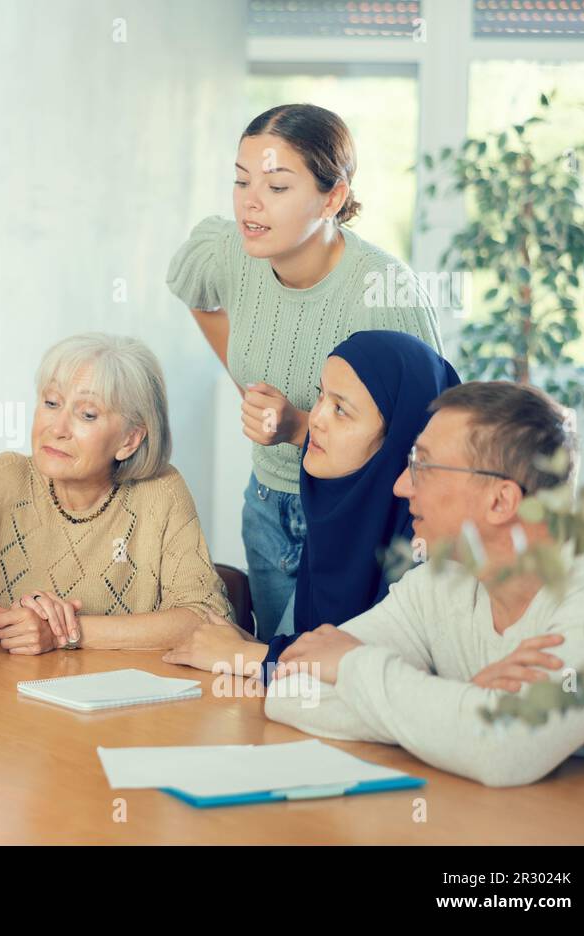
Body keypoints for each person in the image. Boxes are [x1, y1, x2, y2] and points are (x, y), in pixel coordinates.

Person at [167, 103, 443, 641]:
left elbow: (422, 443)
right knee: (278, 693)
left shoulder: (384, 293)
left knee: (321, 679)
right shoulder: (230, 252)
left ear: (333, 197)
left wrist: (298, 426)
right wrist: (246, 377)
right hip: (268, 504)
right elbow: (193, 285)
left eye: (276, 187)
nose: (250, 201)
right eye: (241, 180)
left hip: (356, 522)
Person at [265, 381, 584, 787]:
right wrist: (463, 702)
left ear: (500, 502)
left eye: (423, 465)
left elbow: (502, 751)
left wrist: (351, 665)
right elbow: (288, 690)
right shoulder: (440, 583)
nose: (401, 486)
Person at [0, 334, 233, 653]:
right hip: (6, 706)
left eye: (88, 414)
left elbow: (205, 619)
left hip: (122, 716)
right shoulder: (5, 481)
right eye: (51, 403)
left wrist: (66, 631)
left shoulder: (160, 493)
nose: (57, 428)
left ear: (129, 440)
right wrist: (15, 627)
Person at [164, 331, 459, 678]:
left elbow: (385, 679)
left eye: (341, 410)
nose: (315, 418)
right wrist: (253, 649)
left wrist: (252, 657)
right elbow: (318, 649)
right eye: (321, 395)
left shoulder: (431, 549)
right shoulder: (338, 502)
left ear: (398, 440)